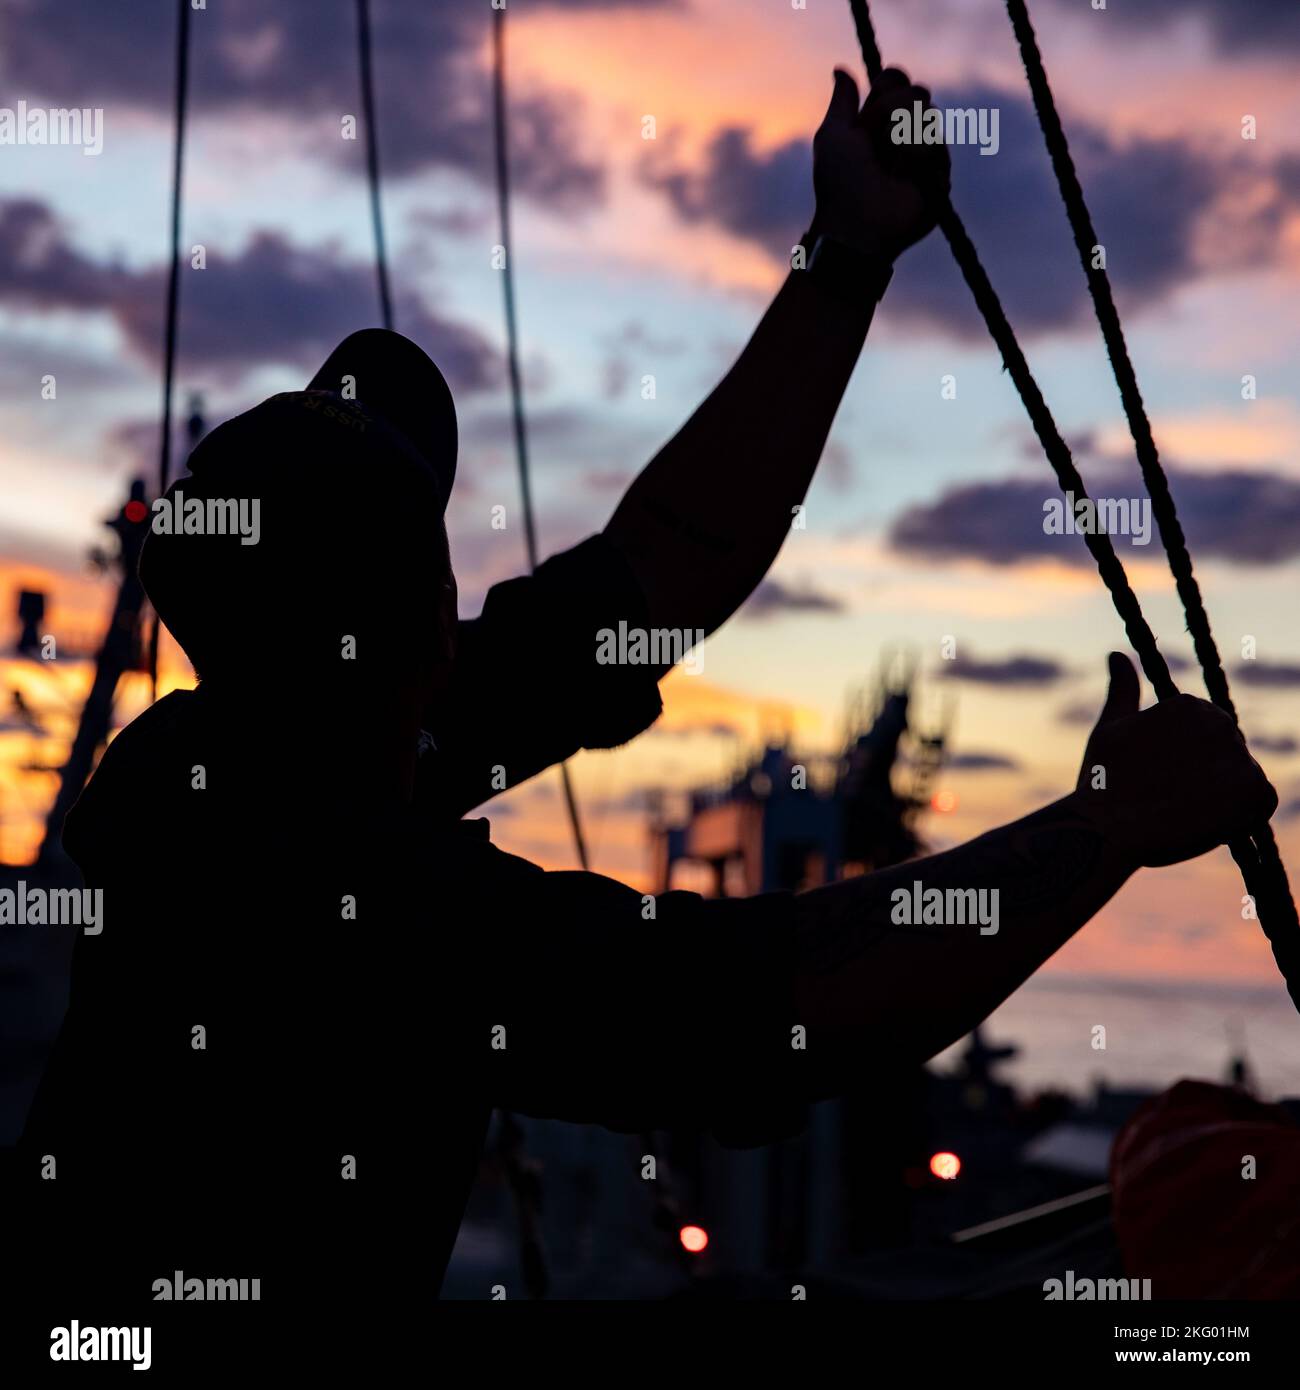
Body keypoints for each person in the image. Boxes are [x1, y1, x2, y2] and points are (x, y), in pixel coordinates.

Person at [1, 68, 1275, 1339]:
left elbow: (660, 569)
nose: (461, 629)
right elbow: (770, 1013)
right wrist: (1100, 830)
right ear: (402, 638)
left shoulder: (243, 755)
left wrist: (844, 256)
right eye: (436, 589)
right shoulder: (347, 897)